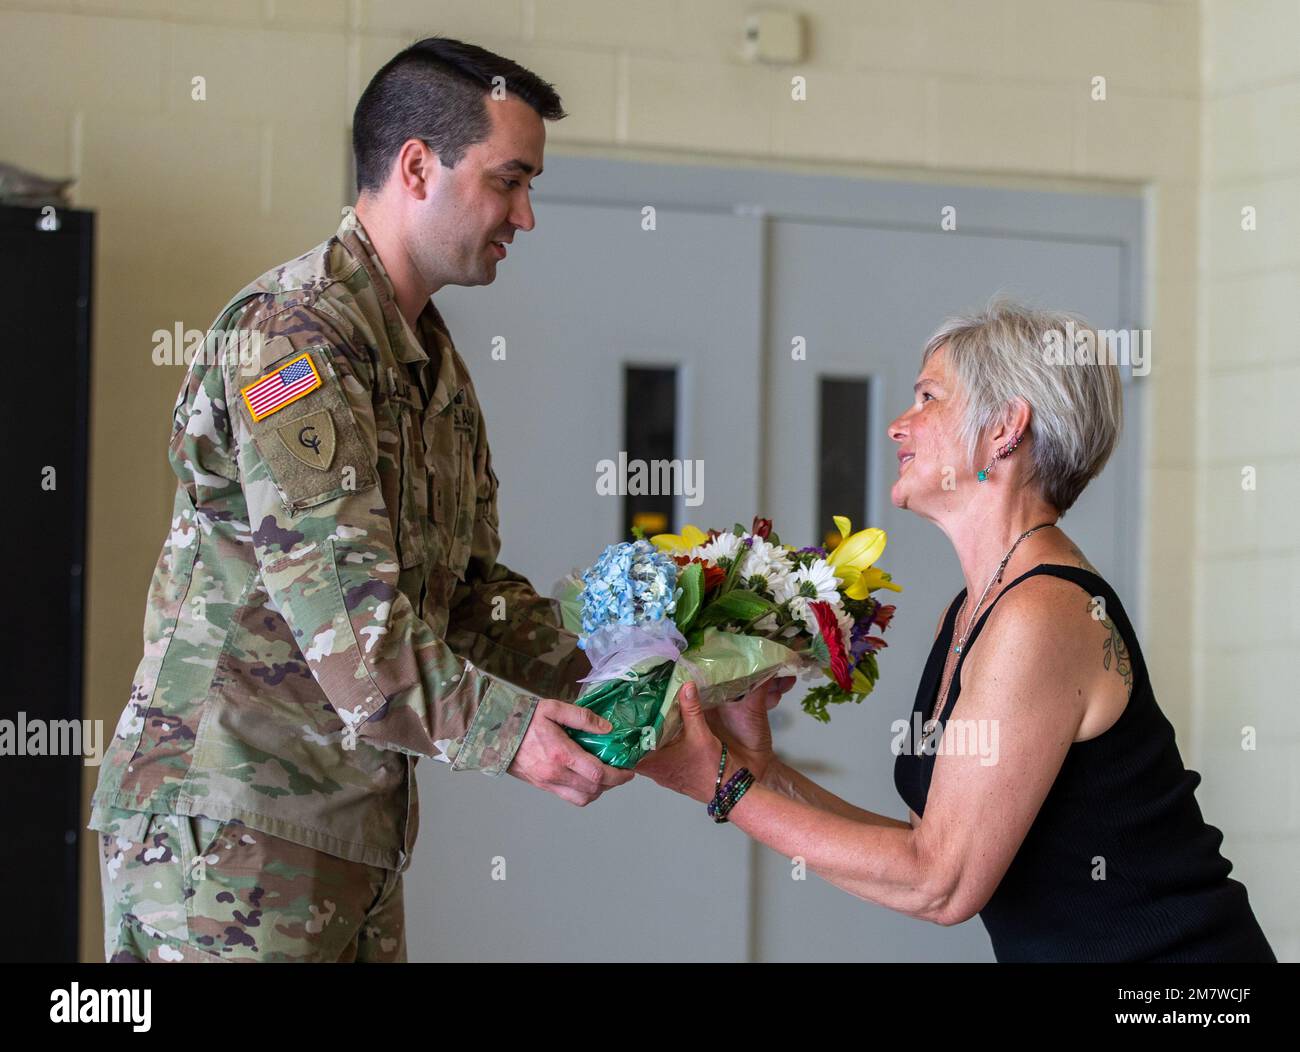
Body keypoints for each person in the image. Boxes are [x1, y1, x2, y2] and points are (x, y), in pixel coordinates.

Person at [89, 37, 636, 963]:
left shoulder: (431, 364)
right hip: (227, 834)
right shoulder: (290, 348)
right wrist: (520, 737)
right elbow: (355, 634)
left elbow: (464, 599)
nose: (526, 216)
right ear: (417, 166)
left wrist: (626, 679)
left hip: (347, 835)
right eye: (509, 181)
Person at [637, 299, 1277, 963]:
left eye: (927, 397)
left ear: (1005, 428)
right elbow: (922, 852)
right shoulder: (976, 608)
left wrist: (716, 785)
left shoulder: (1044, 613)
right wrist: (759, 772)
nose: (896, 425)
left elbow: (939, 886)